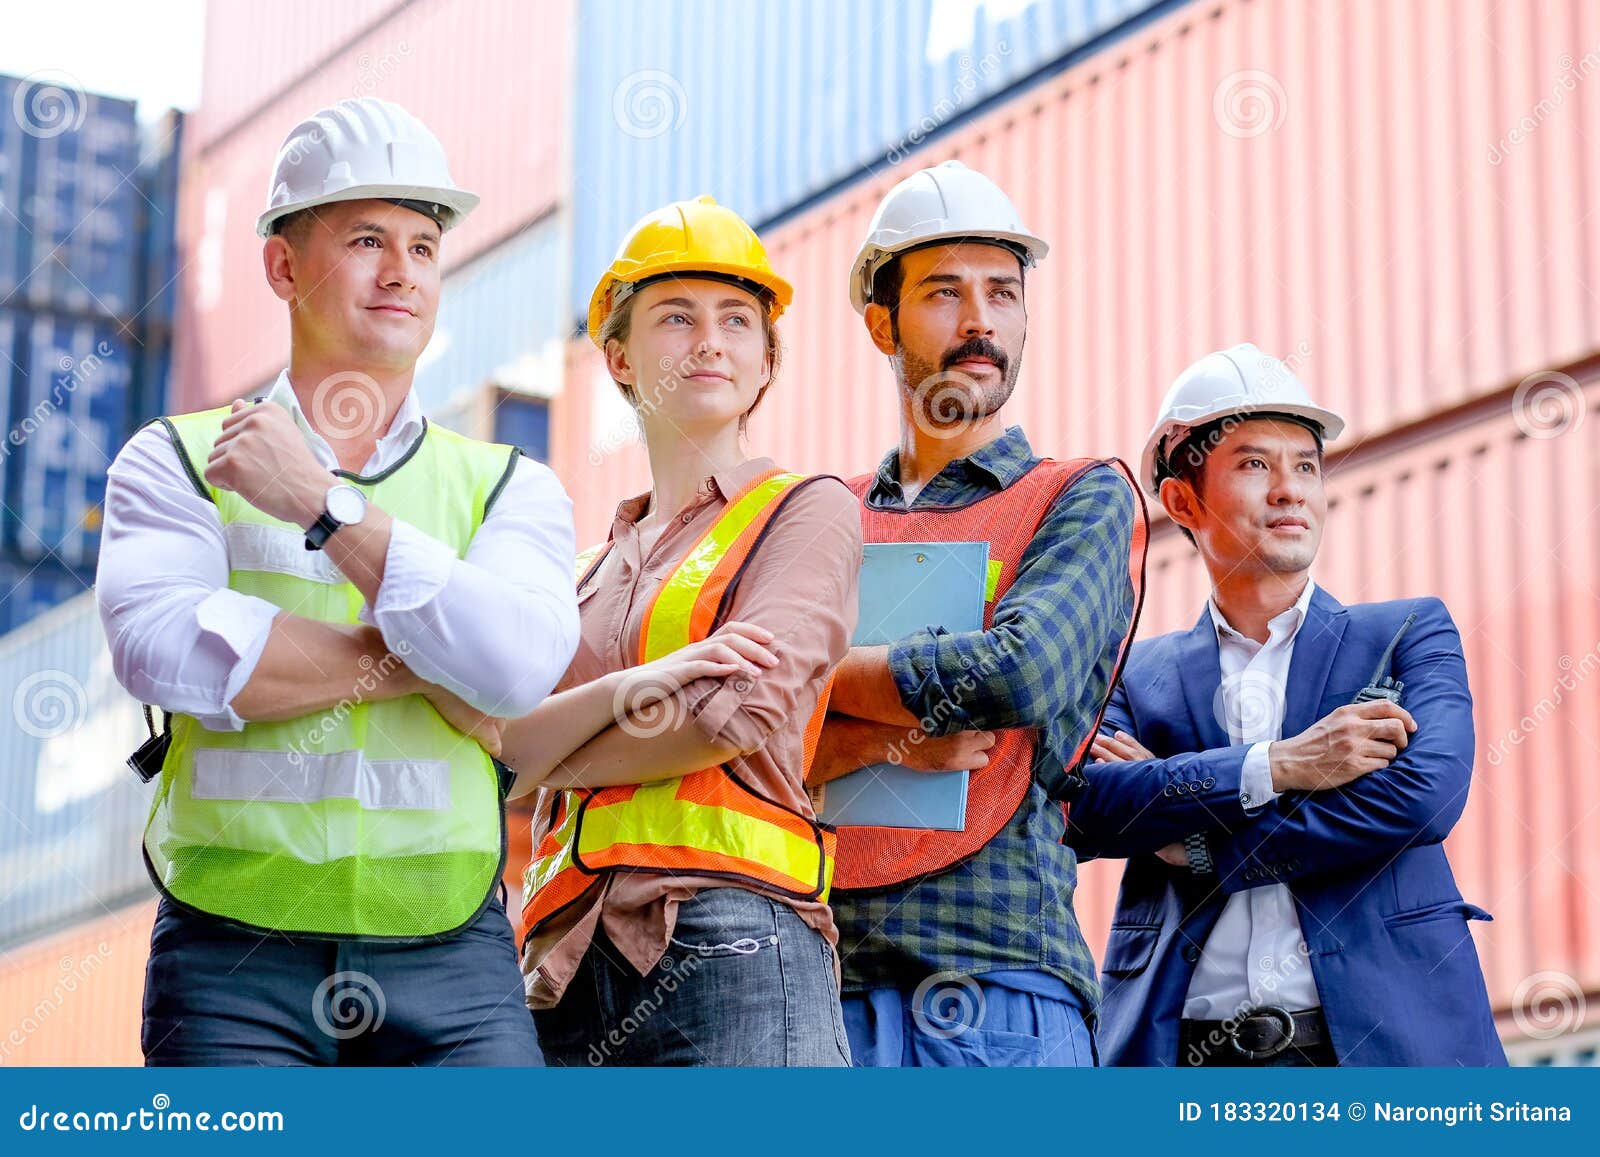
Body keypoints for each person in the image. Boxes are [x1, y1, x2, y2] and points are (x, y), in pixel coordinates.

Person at [96, 97, 579, 1066]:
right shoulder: (176, 458)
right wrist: (432, 660)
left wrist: (321, 503)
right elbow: (163, 651)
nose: (402, 271)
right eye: (367, 240)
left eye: (422, 246)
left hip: (451, 945)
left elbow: (521, 669)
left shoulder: (508, 484)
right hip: (233, 954)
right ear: (283, 266)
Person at [1072, 343, 1505, 1066]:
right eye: (1254, 465)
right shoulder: (1132, 674)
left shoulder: (1404, 634)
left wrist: (1200, 843)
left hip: (1381, 1050)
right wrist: (1277, 765)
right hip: (1178, 1056)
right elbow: (1087, 809)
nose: (1289, 490)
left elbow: (1422, 798)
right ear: (1182, 501)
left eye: (1305, 466)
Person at [503, 196, 862, 1067]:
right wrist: (630, 691)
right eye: (676, 316)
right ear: (620, 357)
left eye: (736, 319)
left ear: (766, 360)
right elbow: (495, 749)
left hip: (733, 934)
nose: (710, 341)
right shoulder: (582, 573)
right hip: (565, 961)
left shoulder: (805, 511)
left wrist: (551, 750)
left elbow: (730, 717)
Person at [809, 161, 1146, 1066]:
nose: (979, 322)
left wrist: (829, 677)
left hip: (999, 987)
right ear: (880, 321)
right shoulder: (818, 515)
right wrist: (887, 735)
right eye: (944, 292)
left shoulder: (1079, 498)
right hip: (817, 982)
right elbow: (740, 712)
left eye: (1003, 293)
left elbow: (1021, 672)